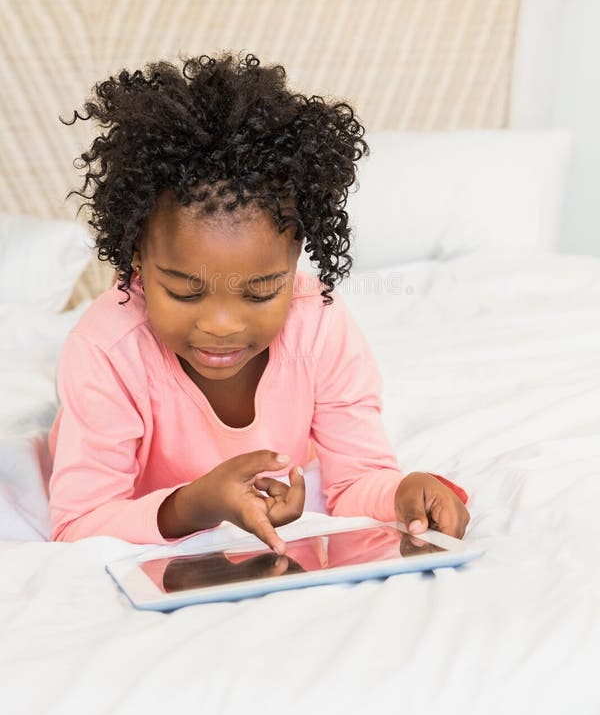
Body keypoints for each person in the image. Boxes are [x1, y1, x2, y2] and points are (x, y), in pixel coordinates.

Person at [48, 52, 470, 553]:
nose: (221, 325)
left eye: (262, 291)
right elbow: (79, 521)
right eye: (185, 291)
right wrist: (196, 504)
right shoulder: (106, 351)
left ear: (296, 257)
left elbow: (356, 480)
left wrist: (405, 492)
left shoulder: (319, 326)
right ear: (136, 258)